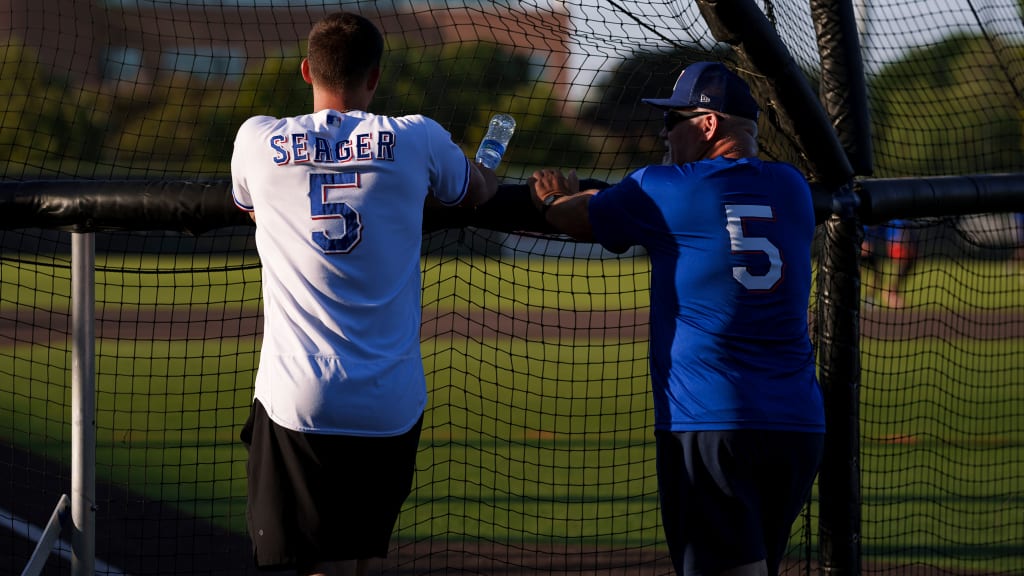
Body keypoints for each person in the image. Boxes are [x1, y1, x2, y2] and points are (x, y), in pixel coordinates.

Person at [528, 61, 825, 576]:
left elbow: (572, 217)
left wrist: (553, 195)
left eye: (673, 123)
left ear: (709, 126)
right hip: (797, 426)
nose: (663, 135)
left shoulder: (665, 187)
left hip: (712, 423)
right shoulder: (792, 187)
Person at [230, 11, 497, 576]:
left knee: (306, 563)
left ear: (306, 70)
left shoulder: (257, 138)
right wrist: (493, 161)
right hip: (389, 402)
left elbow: (249, 203)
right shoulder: (417, 136)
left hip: (298, 398)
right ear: (374, 78)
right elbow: (472, 191)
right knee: (363, 557)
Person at [862, 220, 917, 308]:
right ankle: (890, 292)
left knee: (878, 277)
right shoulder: (864, 226)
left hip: (870, 255)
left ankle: (871, 298)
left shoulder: (882, 227)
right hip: (858, 254)